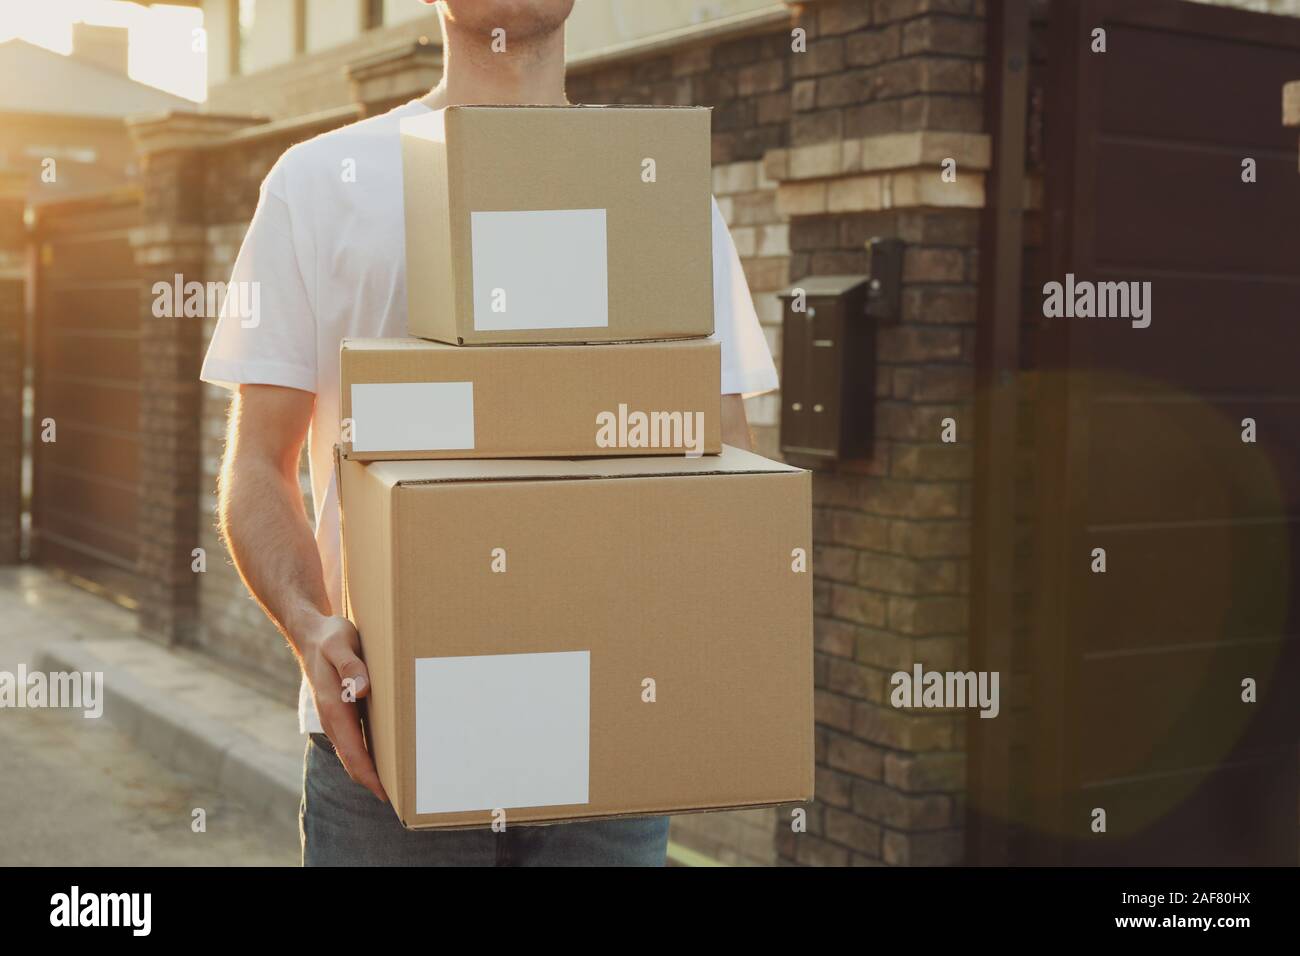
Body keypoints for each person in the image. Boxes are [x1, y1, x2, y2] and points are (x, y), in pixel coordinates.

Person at [201, 0, 778, 866]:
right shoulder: (320, 181)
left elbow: (715, 461)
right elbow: (256, 460)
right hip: (389, 755)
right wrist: (308, 624)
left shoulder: (660, 190)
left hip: (611, 757)